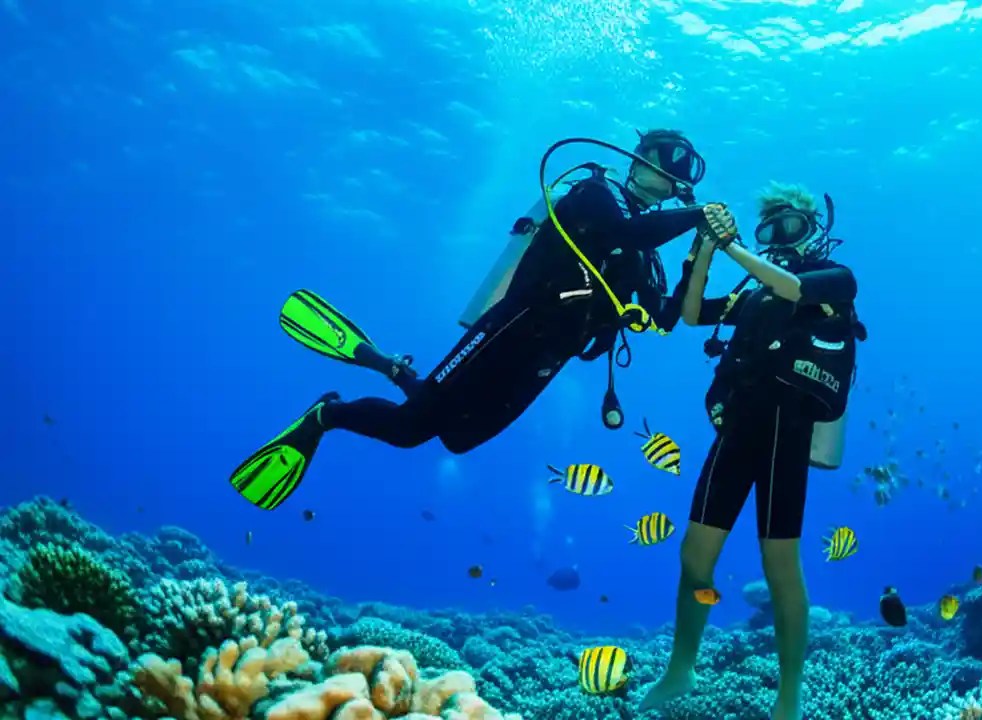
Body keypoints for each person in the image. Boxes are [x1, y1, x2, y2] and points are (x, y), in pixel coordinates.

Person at [230, 131, 712, 511]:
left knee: (458, 438)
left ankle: (398, 370)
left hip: (549, 357)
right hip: (510, 328)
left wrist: (699, 255)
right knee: (409, 430)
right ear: (640, 154)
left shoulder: (652, 256)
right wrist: (697, 216)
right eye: (668, 157)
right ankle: (327, 414)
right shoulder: (595, 191)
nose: (673, 172)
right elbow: (622, 232)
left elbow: (664, 318)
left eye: (683, 166)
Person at [639, 183, 867, 720]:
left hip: (787, 431)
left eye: (791, 226)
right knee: (693, 557)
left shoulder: (836, 279)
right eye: (772, 229)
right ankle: (681, 669)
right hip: (737, 428)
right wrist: (708, 249)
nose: (780, 239)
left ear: (815, 230)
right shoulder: (754, 293)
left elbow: (791, 287)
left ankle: (788, 696)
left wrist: (736, 245)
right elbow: (693, 313)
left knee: (779, 565)